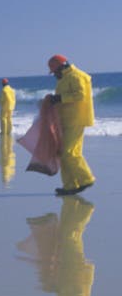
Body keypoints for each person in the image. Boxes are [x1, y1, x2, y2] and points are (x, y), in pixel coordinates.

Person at [46, 55, 95, 196]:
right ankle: (70, 186)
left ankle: (86, 178)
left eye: (55, 71)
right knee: (63, 154)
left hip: (76, 120)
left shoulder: (76, 76)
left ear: (61, 67)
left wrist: (60, 98)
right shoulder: (64, 78)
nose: (54, 74)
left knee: (69, 153)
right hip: (66, 120)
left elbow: (80, 95)